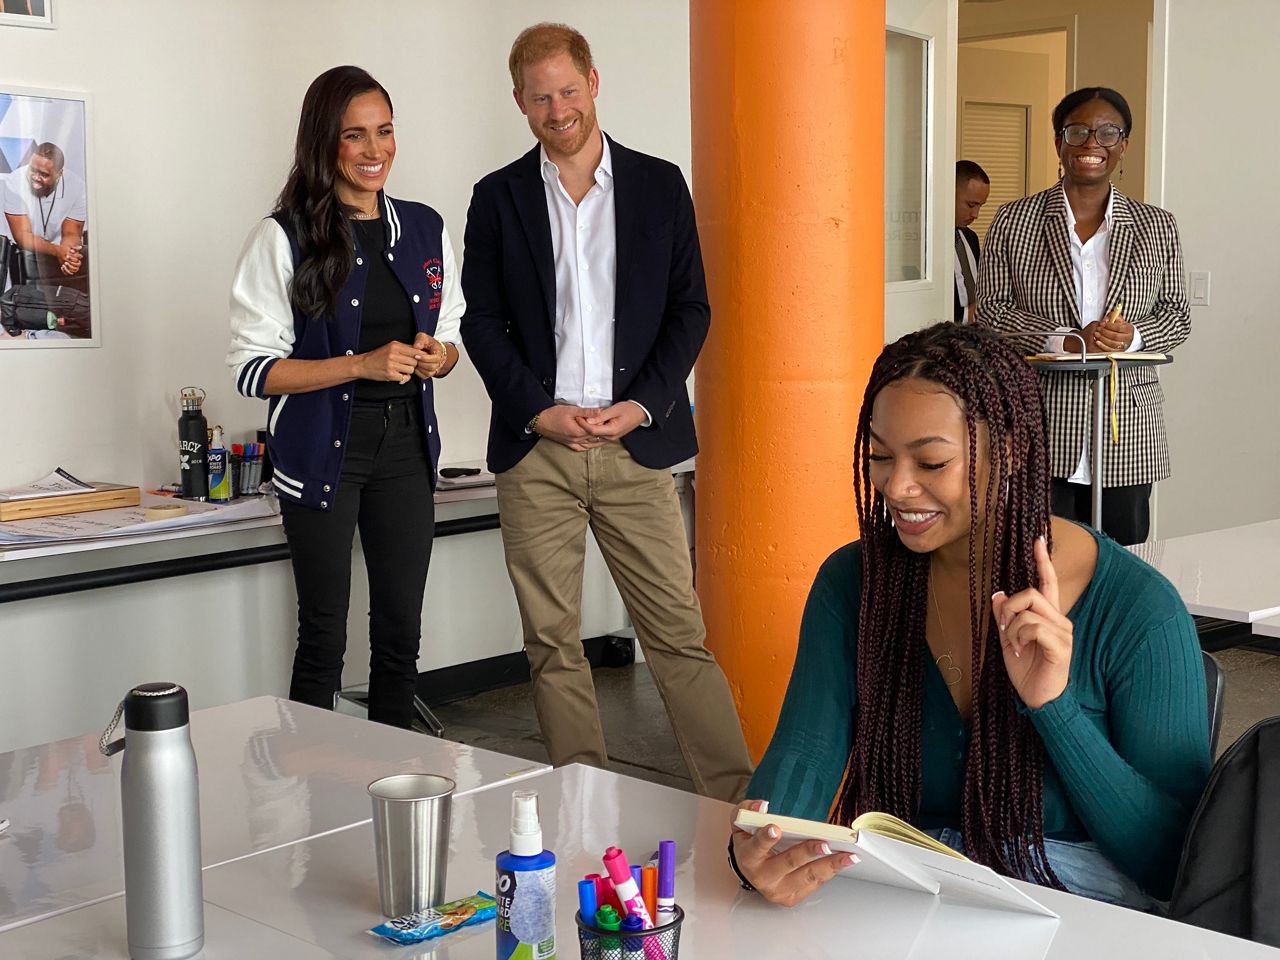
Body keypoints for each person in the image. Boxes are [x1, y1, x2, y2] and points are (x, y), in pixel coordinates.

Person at [729, 323, 1210, 909]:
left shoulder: (1137, 610)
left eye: (931, 463)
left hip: (1076, 904)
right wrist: (762, 845)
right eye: (880, 456)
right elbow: (805, 749)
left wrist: (1054, 708)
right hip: (912, 884)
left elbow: (1175, 864)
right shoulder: (855, 582)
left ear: (1006, 450)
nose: (897, 487)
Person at [460, 23, 752, 802]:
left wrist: (642, 404)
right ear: (518, 101)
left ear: (594, 83)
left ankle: (739, 809)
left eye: (567, 89)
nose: (557, 109)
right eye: (538, 96)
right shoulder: (498, 198)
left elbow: (691, 310)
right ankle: (581, 809)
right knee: (551, 644)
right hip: (539, 452)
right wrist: (537, 411)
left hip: (637, 448)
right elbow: (479, 322)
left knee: (678, 640)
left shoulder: (659, 185)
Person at [227, 66, 463, 728]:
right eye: (353, 136)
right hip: (321, 452)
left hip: (406, 450)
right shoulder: (282, 237)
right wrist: (359, 363)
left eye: (384, 132)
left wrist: (436, 358)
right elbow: (253, 371)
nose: (373, 150)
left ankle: (397, 795)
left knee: (399, 636)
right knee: (324, 636)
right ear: (323, 144)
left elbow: (450, 342)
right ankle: (315, 806)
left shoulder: (423, 228)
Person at [974, 87, 1190, 546]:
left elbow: (1176, 316)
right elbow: (991, 312)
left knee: (1126, 565)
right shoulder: (1015, 221)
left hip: (1127, 427)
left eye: (1108, 132)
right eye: (1078, 131)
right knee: (1038, 561)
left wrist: (1131, 336)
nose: (1093, 143)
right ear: (1059, 142)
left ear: (1124, 144)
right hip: (1040, 424)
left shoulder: (1156, 224)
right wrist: (1065, 339)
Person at [4, 143, 87, 278]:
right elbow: (23, 236)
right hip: (26, 255)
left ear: (60, 174)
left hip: (61, 255)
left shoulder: (77, 187)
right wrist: (57, 251)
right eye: (32, 170)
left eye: (44, 174)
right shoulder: (14, 182)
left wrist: (69, 256)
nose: (36, 177)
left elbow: (72, 232)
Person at [953, 160, 988, 323]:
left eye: (980, 206)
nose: (976, 214)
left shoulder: (971, 238)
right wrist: (969, 314)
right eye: (971, 205)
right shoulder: (928, 243)